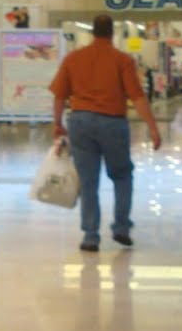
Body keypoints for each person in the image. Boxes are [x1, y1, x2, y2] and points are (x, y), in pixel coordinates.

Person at [50, 14, 162, 251]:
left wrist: (57, 123)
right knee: (122, 176)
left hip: (80, 121)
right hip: (112, 122)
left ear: (92, 32)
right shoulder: (122, 60)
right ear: (112, 33)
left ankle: (91, 236)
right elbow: (137, 97)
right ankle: (121, 227)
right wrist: (153, 127)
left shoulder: (74, 58)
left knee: (88, 181)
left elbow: (60, 95)